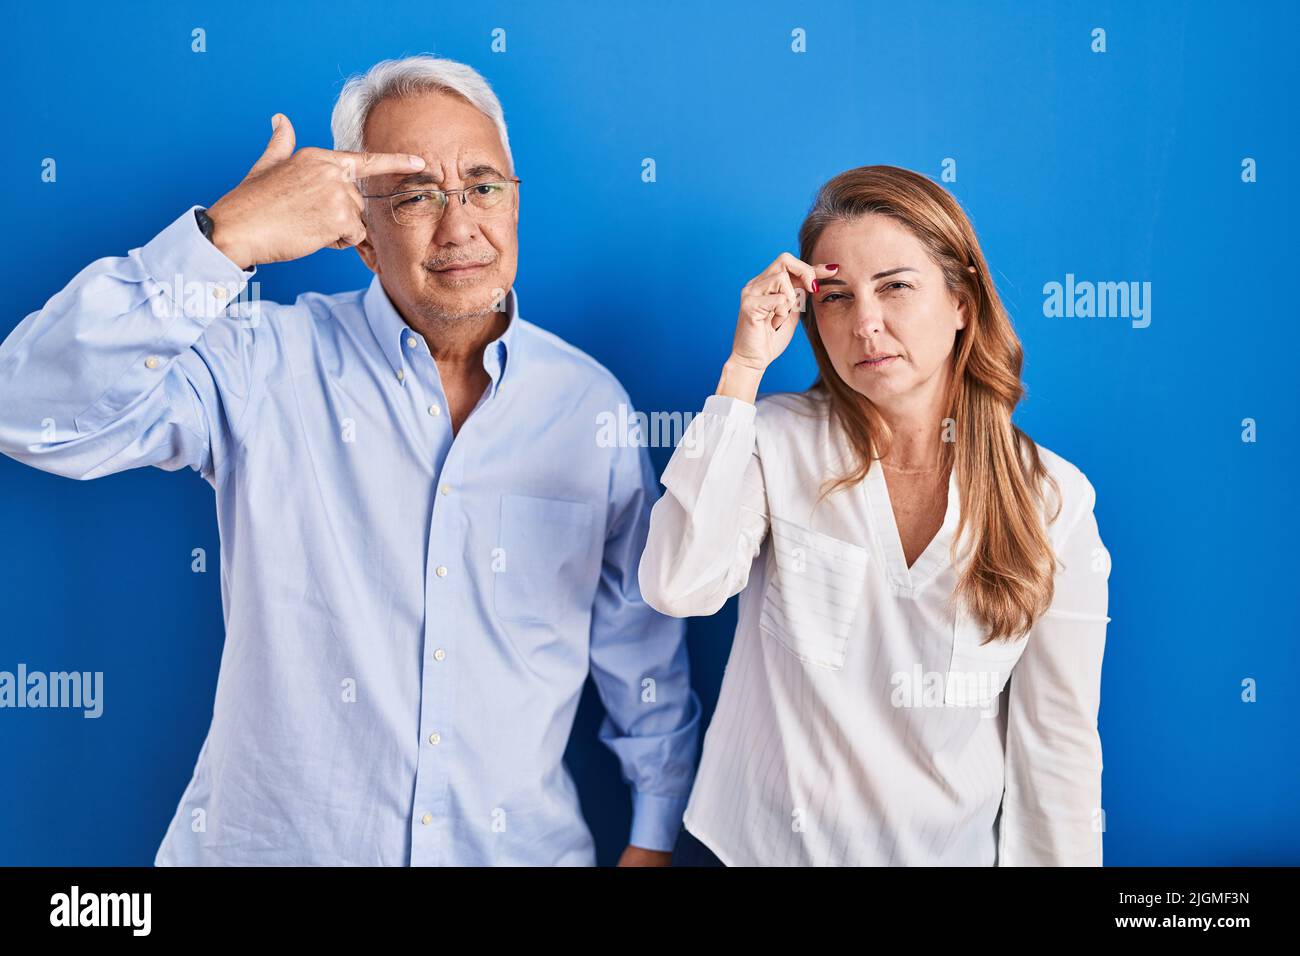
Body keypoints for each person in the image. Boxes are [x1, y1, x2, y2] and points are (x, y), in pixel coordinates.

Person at [0, 54, 700, 866]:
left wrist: (652, 837)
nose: (459, 224)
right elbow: (28, 410)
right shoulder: (262, 362)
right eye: (413, 195)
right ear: (359, 235)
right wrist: (225, 240)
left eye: (483, 187)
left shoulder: (589, 405)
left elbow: (639, 648)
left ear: (515, 201)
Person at [640, 165, 1110, 866]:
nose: (865, 324)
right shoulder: (775, 440)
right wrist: (742, 370)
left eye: (895, 286)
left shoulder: (1054, 500)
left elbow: (1059, 750)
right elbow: (678, 585)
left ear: (962, 301)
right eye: (835, 297)